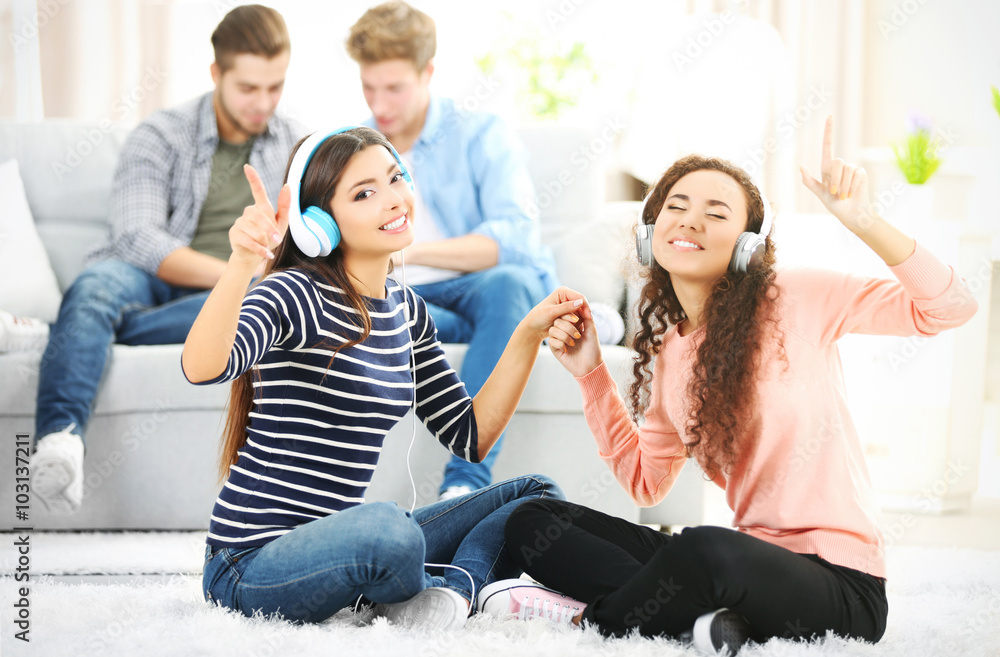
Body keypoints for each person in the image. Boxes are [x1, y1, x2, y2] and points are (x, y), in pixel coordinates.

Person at [478, 117, 978, 653]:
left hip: (839, 585)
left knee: (703, 551)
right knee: (532, 518)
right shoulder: (670, 350)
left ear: (746, 247)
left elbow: (950, 307)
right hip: (742, 567)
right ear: (650, 231)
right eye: (676, 206)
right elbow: (646, 483)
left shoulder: (794, 295)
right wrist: (592, 375)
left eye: (715, 213)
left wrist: (862, 219)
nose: (690, 221)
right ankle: (704, 621)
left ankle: (589, 622)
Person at [184, 126, 582, 629]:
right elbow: (202, 367)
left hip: (350, 542)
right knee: (388, 530)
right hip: (250, 565)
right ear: (318, 224)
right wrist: (242, 262)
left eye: (396, 179)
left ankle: (450, 596)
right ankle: (442, 586)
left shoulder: (407, 310)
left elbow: (471, 437)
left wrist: (527, 333)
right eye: (365, 193)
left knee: (536, 496)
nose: (394, 200)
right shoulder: (294, 293)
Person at [20, 5, 306, 514]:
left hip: (236, 293)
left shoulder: (295, 144)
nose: (263, 102)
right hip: (156, 277)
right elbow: (138, 238)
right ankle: (60, 439)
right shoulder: (160, 133)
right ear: (216, 73)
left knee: (280, 302)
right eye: (248, 88)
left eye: (275, 87)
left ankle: (113, 329)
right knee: (94, 289)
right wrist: (234, 274)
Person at [344, 1, 561, 500]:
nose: (380, 105)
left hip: (473, 285)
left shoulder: (481, 134)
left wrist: (410, 251)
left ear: (428, 73)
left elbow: (513, 239)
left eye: (394, 87)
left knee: (510, 285)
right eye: (368, 87)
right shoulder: (354, 146)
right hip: (406, 301)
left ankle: (464, 485)